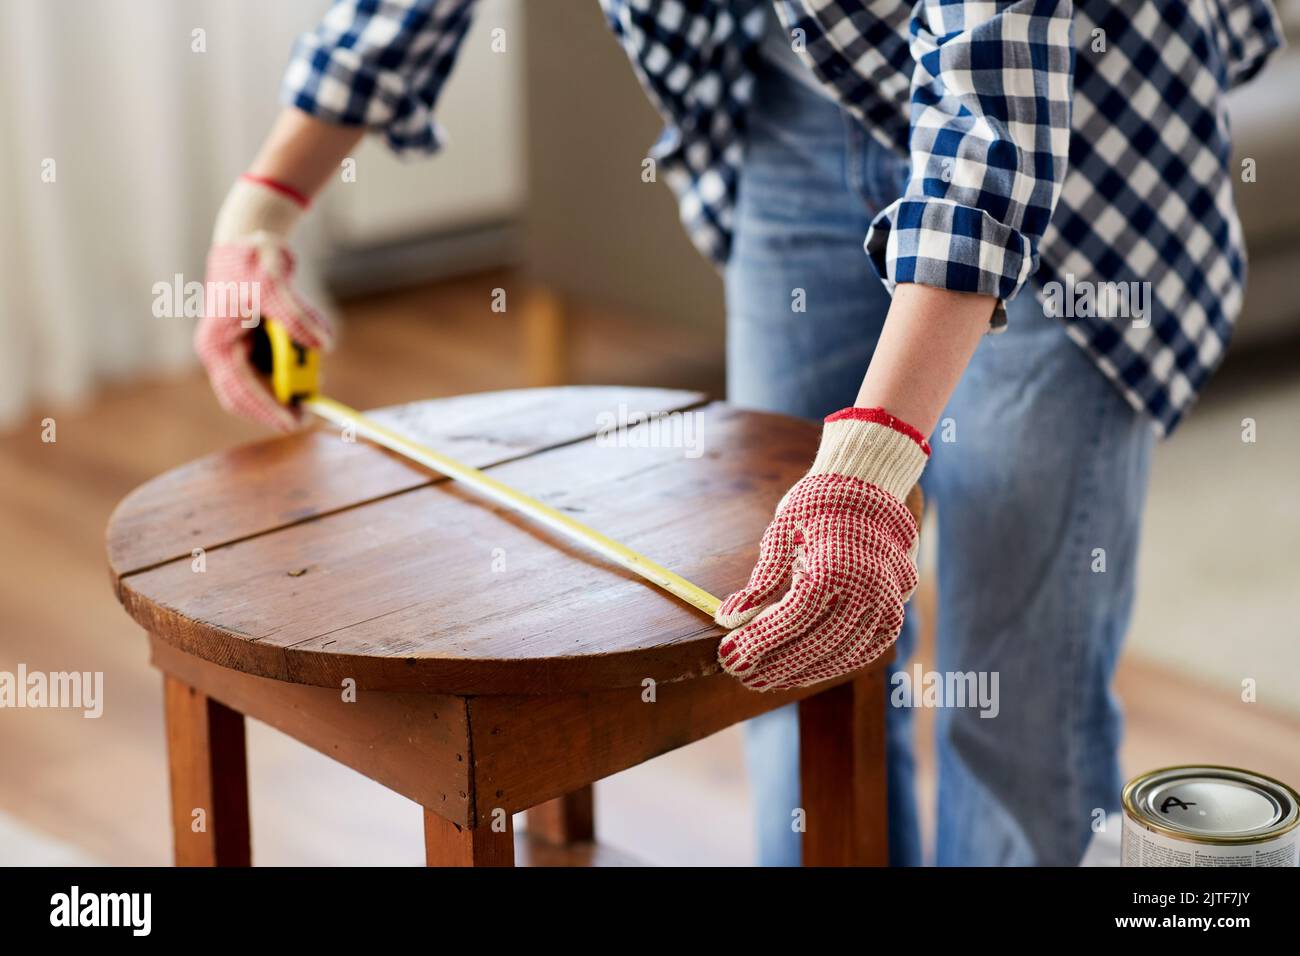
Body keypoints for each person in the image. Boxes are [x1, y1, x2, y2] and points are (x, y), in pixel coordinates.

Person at [194, 0, 1284, 866]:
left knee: (1019, 694)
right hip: (791, 112)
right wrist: (262, 203)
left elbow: (990, 96)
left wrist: (866, 463)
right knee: (789, 640)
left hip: (1072, 134)